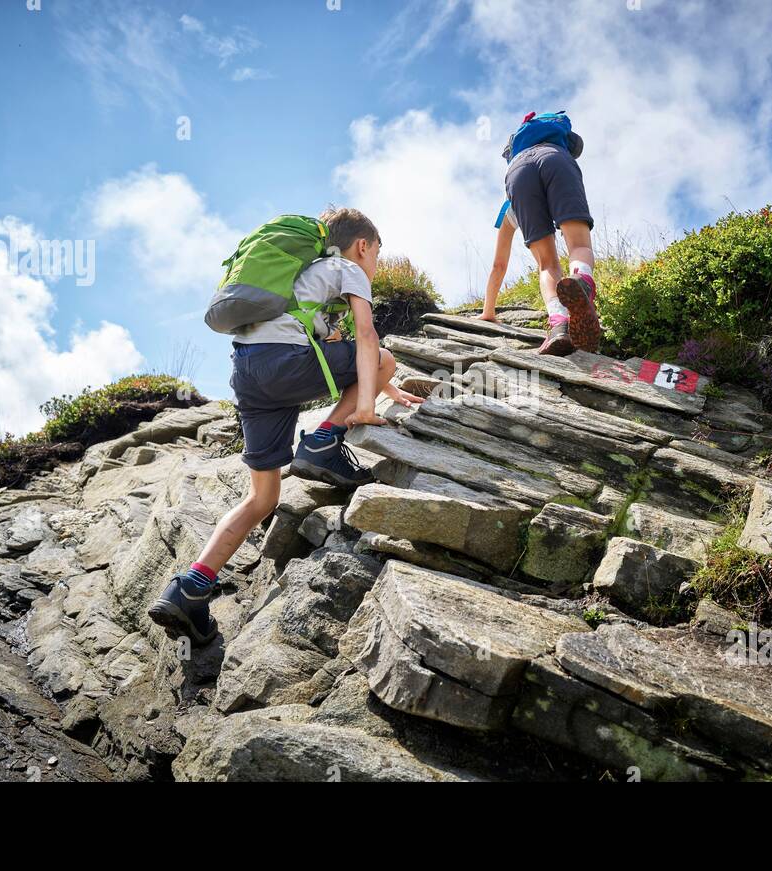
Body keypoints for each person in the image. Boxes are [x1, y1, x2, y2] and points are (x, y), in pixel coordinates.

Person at [146, 207, 422, 645]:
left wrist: (389, 390)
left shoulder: (302, 275)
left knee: (262, 497)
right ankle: (323, 442)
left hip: (248, 374)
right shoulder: (346, 269)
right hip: (284, 365)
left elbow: (339, 353)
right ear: (363, 246)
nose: (375, 265)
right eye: (376, 254)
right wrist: (368, 403)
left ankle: (189, 589)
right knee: (382, 356)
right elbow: (368, 341)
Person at [480, 111, 600, 355]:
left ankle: (558, 325)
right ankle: (582, 281)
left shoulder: (508, 209)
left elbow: (498, 266)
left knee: (546, 264)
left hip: (517, 173)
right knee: (578, 245)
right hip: (556, 160)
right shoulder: (559, 144)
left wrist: (488, 312)